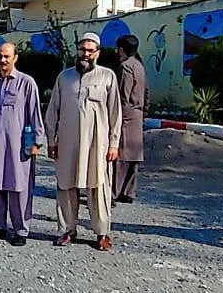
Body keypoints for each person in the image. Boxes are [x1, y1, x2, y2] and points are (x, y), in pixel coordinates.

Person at [44, 33, 122, 252]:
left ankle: (102, 232)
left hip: (98, 144)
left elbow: (116, 113)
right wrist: (51, 141)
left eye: (90, 50)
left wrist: (114, 144)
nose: (85, 54)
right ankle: (68, 230)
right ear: (76, 50)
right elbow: (53, 112)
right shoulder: (64, 77)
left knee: (99, 186)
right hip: (68, 142)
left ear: (97, 53)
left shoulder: (107, 76)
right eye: (82, 49)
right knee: (65, 184)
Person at [0, 43, 44, 246]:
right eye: (0, 56)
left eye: (7, 56)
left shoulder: (26, 83)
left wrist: (37, 142)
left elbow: (35, 114)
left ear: (15, 58)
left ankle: (20, 230)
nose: (3, 60)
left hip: (19, 146)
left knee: (19, 186)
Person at [113, 35, 147, 204]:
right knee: (134, 156)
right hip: (138, 114)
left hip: (127, 114)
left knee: (121, 156)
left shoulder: (125, 67)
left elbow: (122, 95)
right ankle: (129, 191)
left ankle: (115, 192)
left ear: (121, 49)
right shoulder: (139, 66)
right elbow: (147, 92)